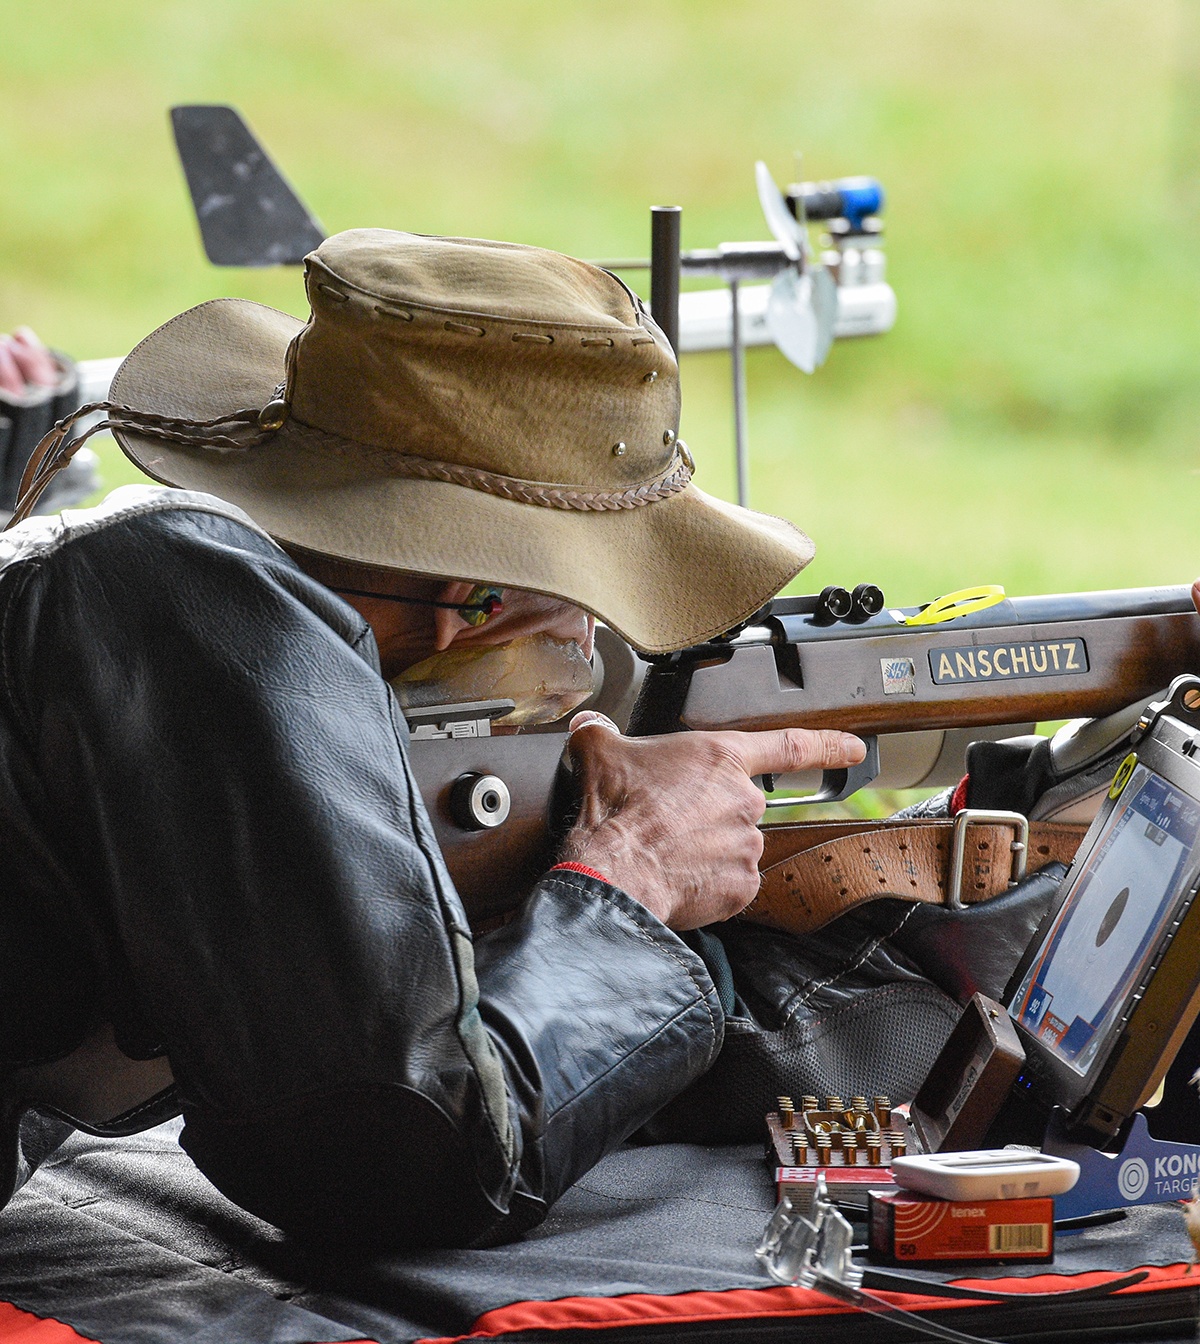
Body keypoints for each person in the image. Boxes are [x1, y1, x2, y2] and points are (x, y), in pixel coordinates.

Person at [0, 229, 864, 1249]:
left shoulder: (137, 582)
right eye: (576, 613)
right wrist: (628, 881)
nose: (583, 649)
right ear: (467, 598)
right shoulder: (188, 598)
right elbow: (392, 1162)